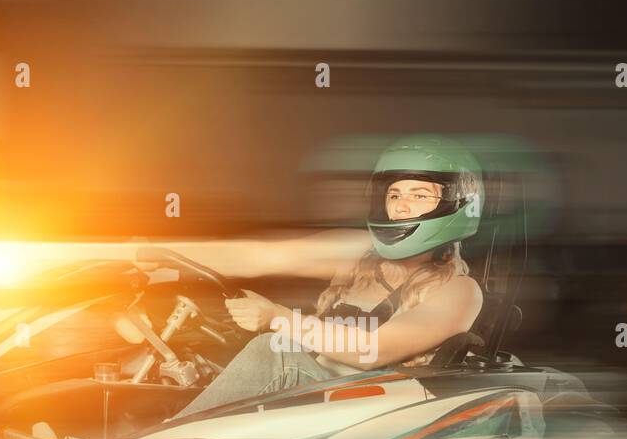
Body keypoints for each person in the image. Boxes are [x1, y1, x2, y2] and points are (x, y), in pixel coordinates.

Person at [168, 135, 485, 418]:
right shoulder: (359, 254)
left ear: (453, 205)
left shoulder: (459, 290)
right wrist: (149, 255)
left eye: (419, 196)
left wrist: (277, 318)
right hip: (316, 395)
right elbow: (259, 256)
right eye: (394, 195)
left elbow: (372, 351)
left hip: (369, 413)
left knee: (274, 350)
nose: (401, 207)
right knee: (184, 362)